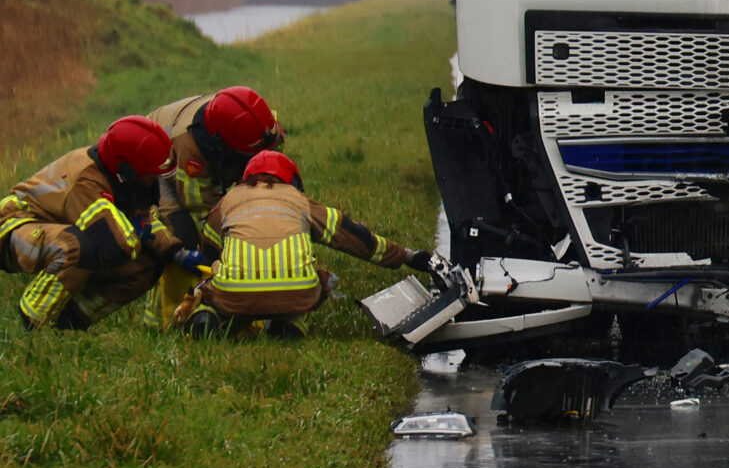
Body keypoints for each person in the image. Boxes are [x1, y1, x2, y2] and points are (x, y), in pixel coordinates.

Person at [175, 150, 434, 338]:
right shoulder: (300, 202)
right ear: (292, 180)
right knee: (319, 276)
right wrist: (407, 256)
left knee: (215, 281)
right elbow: (357, 239)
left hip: (233, 296)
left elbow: (209, 249)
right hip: (298, 293)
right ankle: (291, 325)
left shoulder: (229, 200)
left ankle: (207, 320)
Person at [0, 117, 176, 330]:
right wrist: (134, 231)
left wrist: (175, 250)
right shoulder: (87, 180)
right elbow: (116, 246)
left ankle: (69, 323)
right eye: (150, 176)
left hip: (53, 230)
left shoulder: (122, 178)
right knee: (75, 246)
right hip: (15, 226)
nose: (153, 181)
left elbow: (143, 220)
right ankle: (33, 322)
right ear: (126, 168)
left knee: (148, 262)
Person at [146, 86, 282, 327]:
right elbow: (203, 212)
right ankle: (163, 320)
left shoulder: (261, 125)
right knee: (184, 235)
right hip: (161, 164)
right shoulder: (191, 148)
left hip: (217, 152)